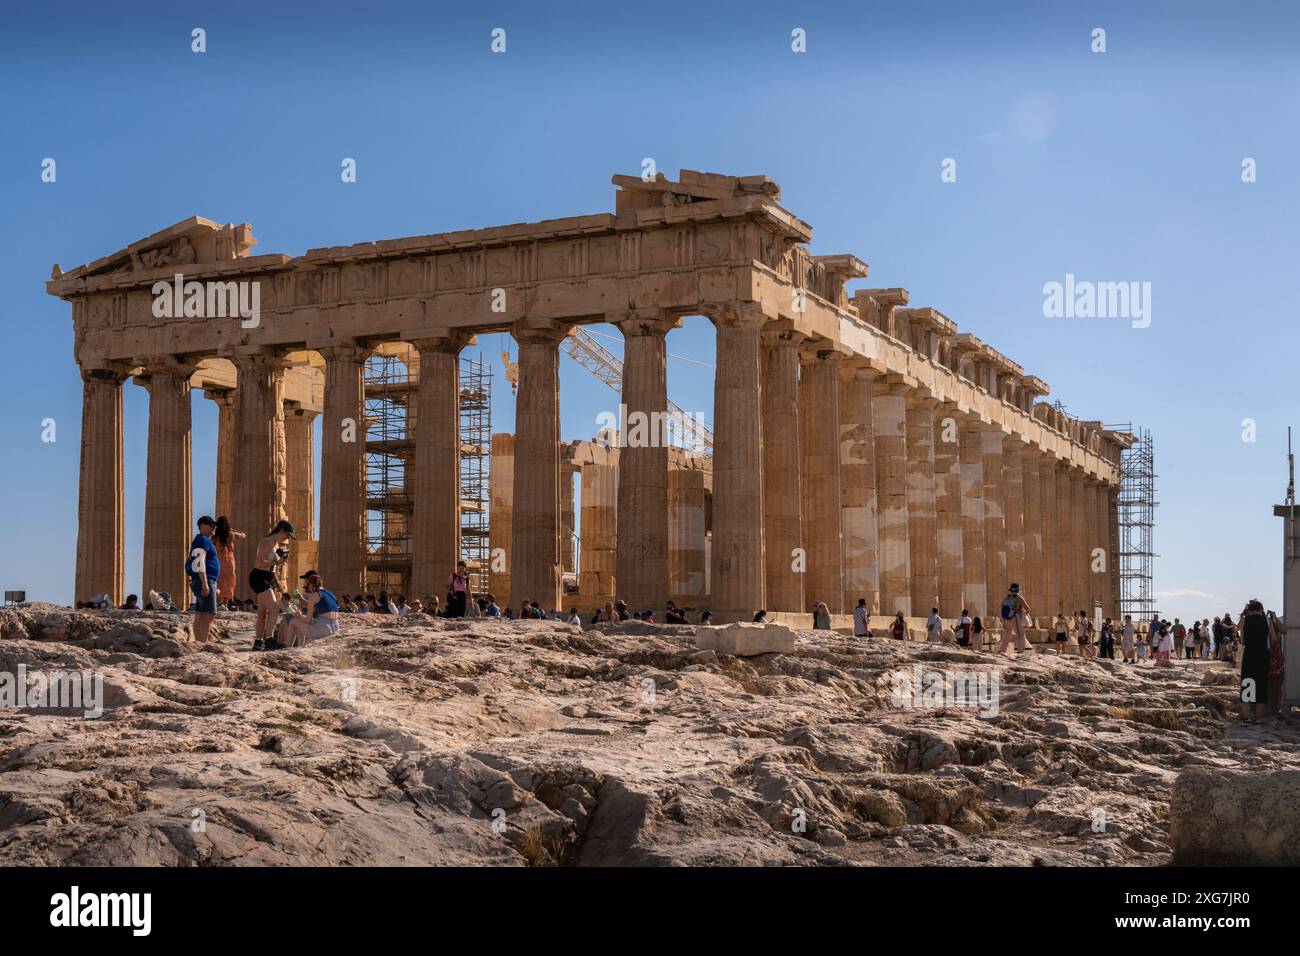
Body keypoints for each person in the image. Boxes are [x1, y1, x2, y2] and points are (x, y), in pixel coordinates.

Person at [249, 520, 294, 650]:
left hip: (266, 578)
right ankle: (269, 640)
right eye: (287, 535)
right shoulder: (267, 542)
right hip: (259, 578)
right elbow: (259, 563)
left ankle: (258, 643)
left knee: (263, 613)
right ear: (281, 530)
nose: (287, 538)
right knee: (274, 609)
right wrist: (278, 562)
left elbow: (270, 568)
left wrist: (277, 582)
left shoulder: (275, 544)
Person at [283, 570, 341, 647]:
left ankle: (288, 646)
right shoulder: (330, 593)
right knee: (301, 622)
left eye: (308, 584)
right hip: (335, 626)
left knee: (294, 621)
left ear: (311, 585)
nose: (307, 586)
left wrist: (298, 615)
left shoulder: (313, 596)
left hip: (323, 628)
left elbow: (307, 620)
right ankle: (300, 646)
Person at [186, 516, 221, 643]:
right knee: (209, 613)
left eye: (214, 525)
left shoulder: (201, 540)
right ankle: (202, 643)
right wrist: (205, 583)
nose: (214, 527)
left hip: (201, 580)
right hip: (205, 580)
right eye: (211, 525)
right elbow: (199, 561)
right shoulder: (202, 539)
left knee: (200, 613)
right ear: (202, 526)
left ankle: (198, 642)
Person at [1238, 600, 1270, 723]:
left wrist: (1243, 615)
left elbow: (1242, 640)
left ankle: (1247, 717)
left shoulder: (1246, 620)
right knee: (1261, 684)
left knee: (1248, 683)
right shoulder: (1265, 620)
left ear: (1249, 610)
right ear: (1261, 610)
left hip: (1249, 654)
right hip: (1262, 654)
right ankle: (1259, 718)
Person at [212, 517, 246, 605]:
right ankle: (225, 603)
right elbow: (243, 535)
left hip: (218, 560)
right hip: (229, 560)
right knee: (229, 580)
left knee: (218, 580)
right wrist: (232, 529)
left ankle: (218, 601)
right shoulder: (231, 534)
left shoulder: (215, 536)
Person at [997, 584, 1030, 654]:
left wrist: (1004, 620)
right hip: (1015, 617)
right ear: (1018, 590)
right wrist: (1024, 615)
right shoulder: (1019, 598)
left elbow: (1002, 608)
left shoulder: (1006, 598)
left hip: (1006, 618)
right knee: (1020, 634)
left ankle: (1002, 650)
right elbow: (1027, 608)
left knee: (1007, 634)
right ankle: (1020, 651)